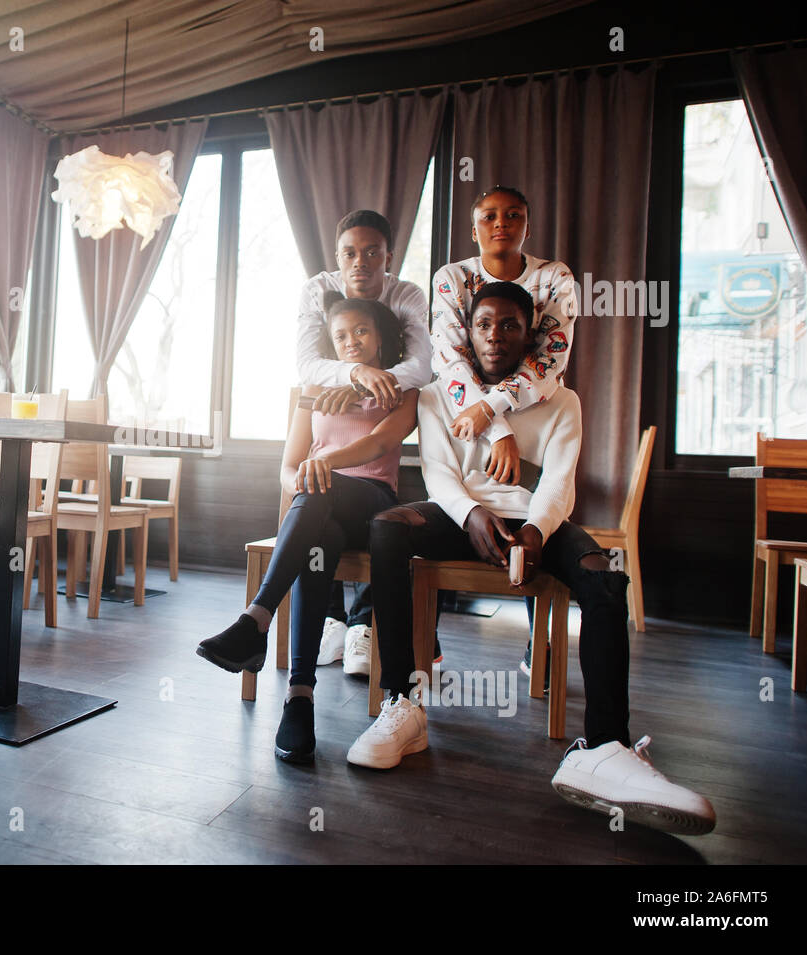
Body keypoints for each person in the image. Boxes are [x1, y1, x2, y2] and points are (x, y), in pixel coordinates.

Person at [350, 281, 715, 835]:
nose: (496, 335)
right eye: (484, 325)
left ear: (531, 336)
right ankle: (402, 704)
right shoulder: (436, 395)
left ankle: (605, 748)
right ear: (467, 335)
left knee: (603, 577)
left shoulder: (561, 399)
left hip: (537, 522)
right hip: (460, 514)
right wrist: (472, 516)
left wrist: (537, 534)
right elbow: (439, 477)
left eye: (510, 326)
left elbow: (559, 485)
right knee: (387, 526)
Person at [197, 293, 418, 764]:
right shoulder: (313, 388)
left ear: (379, 336)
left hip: (373, 508)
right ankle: (300, 698)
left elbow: (380, 441)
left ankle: (256, 619)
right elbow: (287, 466)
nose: (351, 341)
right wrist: (305, 477)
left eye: (361, 331)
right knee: (320, 536)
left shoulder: (402, 387)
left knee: (318, 494)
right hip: (319, 508)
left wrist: (318, 467)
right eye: (340, 335)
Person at [432, 185, 579, 679]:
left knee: (536, 498)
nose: (501, 223)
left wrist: (494, 407)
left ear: (527, 226)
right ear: (474, 229)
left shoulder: (554, 276)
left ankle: (542, 643)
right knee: (452, 492)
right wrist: (496, 430)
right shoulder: (453, 279)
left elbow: (550, 360)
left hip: (533, 403)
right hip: (465, 409)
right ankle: (420, 646)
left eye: (513, 215)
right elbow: (450, 361)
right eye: (489, 216)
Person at [295, 210, 433, 674]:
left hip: (379, 436)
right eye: (350, 253)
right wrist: (353, 370)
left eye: (372, 253)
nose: (361, 263)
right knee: (321, 513)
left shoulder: (406, 295)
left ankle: (358, 622)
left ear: (388, 257)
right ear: (337, 257)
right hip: (330, 425)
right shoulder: (318, 290)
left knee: (378, 513)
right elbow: (308, 365)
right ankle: (334, 622)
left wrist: (361, 385)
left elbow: (421, 367)